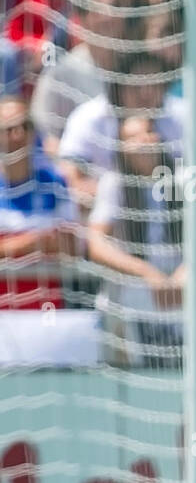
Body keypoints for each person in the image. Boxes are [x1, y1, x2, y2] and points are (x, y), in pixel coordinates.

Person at [85, 115, 185, 362]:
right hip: (130, 299)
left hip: (180, 296)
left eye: (149, 132)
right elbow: (95, 243)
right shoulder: (115, 183)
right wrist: (146, 272)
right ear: (122, 147)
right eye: (134, 137)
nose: (145, 141)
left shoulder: (185, 179)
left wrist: (186, 272)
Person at [59, 50, 186, 213]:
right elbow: (69, 180)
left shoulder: (182, 116)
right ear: (119, 85)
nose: (146, 93)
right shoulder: (88, 118)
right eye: (137, 84)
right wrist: (114, 196)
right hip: (99, 220)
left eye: (154, 84)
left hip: (169, 219)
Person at [30, 0, 127, 155]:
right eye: (98, 10)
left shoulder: (138, 72)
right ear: (81, 19)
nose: (109, 17)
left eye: (116, 7)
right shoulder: (61, 74)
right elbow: (47, 139)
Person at [0, 96, 79, 310]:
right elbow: (52, 240)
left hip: (47, 313)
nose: (17, 135)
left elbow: (71, 244)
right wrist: (36, 241)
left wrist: (11, 246)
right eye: (8, 128)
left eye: (25, 126)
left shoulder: (54, 182)